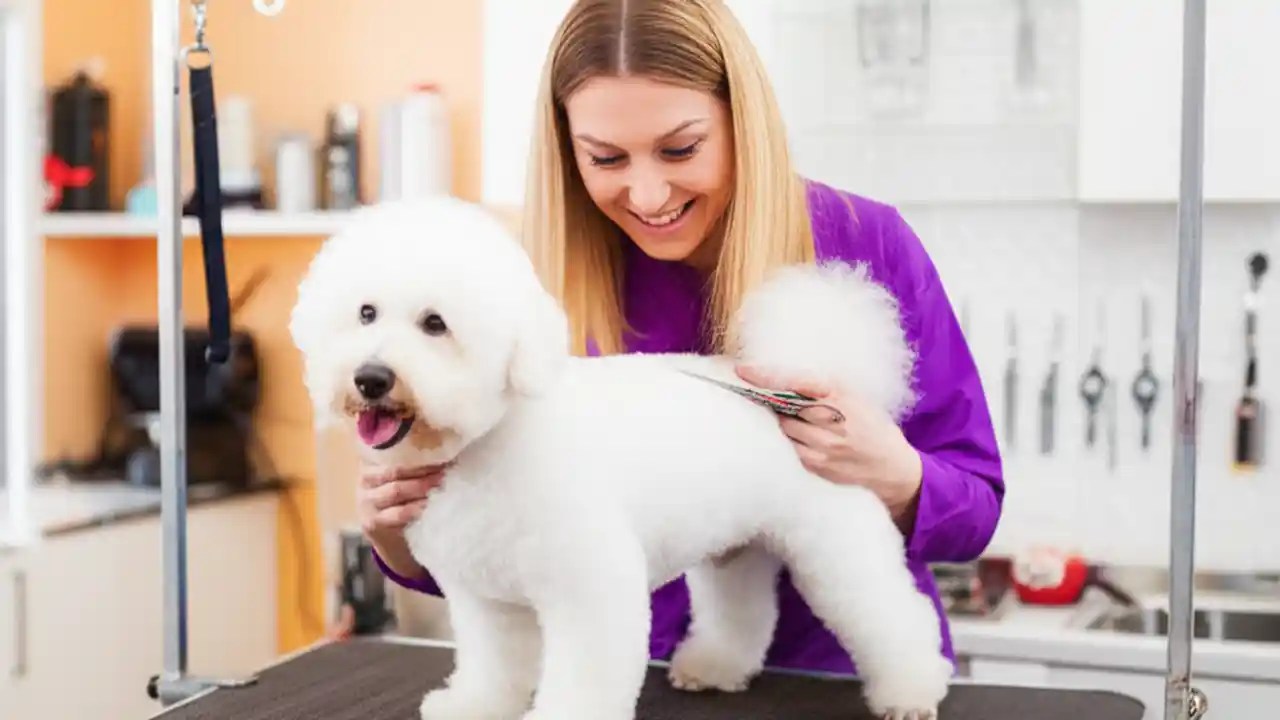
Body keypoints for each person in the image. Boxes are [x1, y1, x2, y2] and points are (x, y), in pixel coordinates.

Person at [362, 0, 1003, 677]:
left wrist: (894, 471)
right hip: (634, 684)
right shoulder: (530, 295)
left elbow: (976, 515)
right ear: (566, 148)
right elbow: (497, 561)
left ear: (740, 118)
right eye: (606, 158)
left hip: (836, 683)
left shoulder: (865, 242)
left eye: (680, 149)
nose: (646, 193)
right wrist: (393, 532)